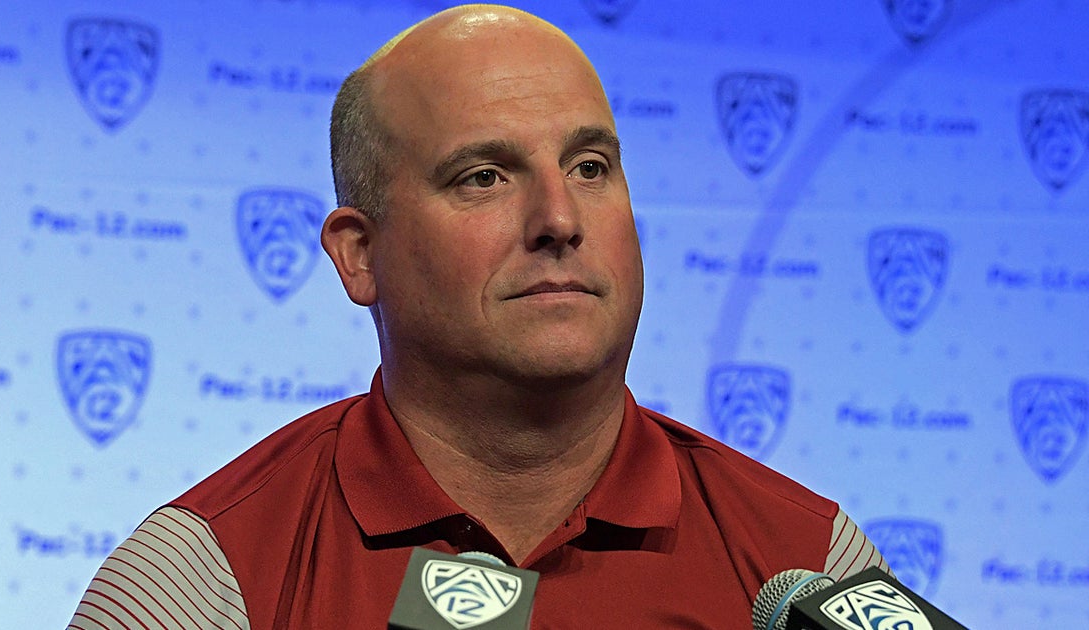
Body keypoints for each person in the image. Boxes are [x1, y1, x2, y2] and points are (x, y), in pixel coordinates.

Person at [69, 5, 889, 628]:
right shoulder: (206, 577)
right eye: (484, 178)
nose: (560, 218)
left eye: (591, 166)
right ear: (358, 255)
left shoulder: (809, 566)